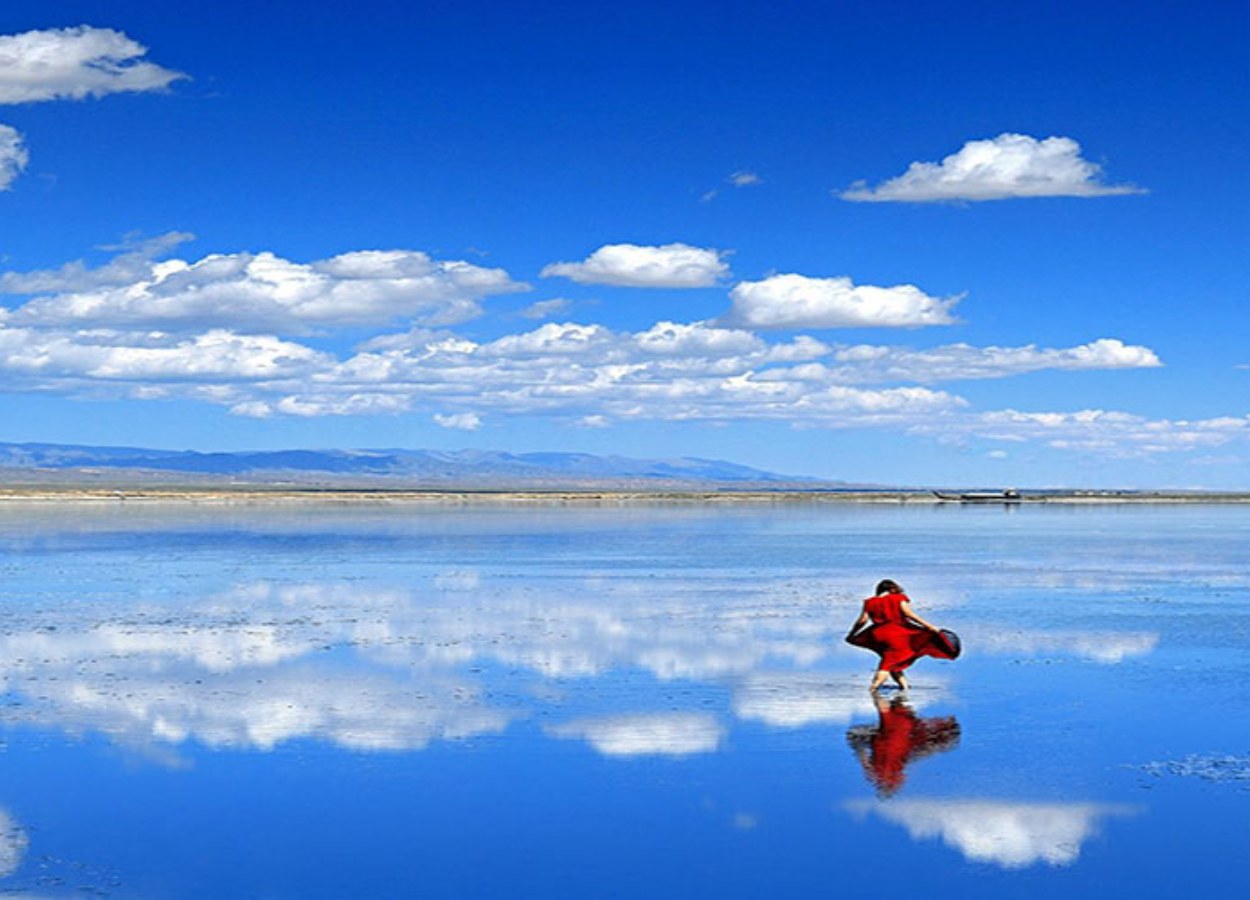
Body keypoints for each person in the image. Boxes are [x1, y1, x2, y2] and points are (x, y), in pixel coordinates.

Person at [846, 579, 952, 692]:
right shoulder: (898, 598)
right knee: (887, 664)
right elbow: (908, 614)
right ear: (892, 589)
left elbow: (862, 621)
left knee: (893, 662)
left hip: (878, 635)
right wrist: (929, 626)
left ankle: (904, 688)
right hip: (896, 634)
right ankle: (873, 689)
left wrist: (852, 633)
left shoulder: (870, 602)